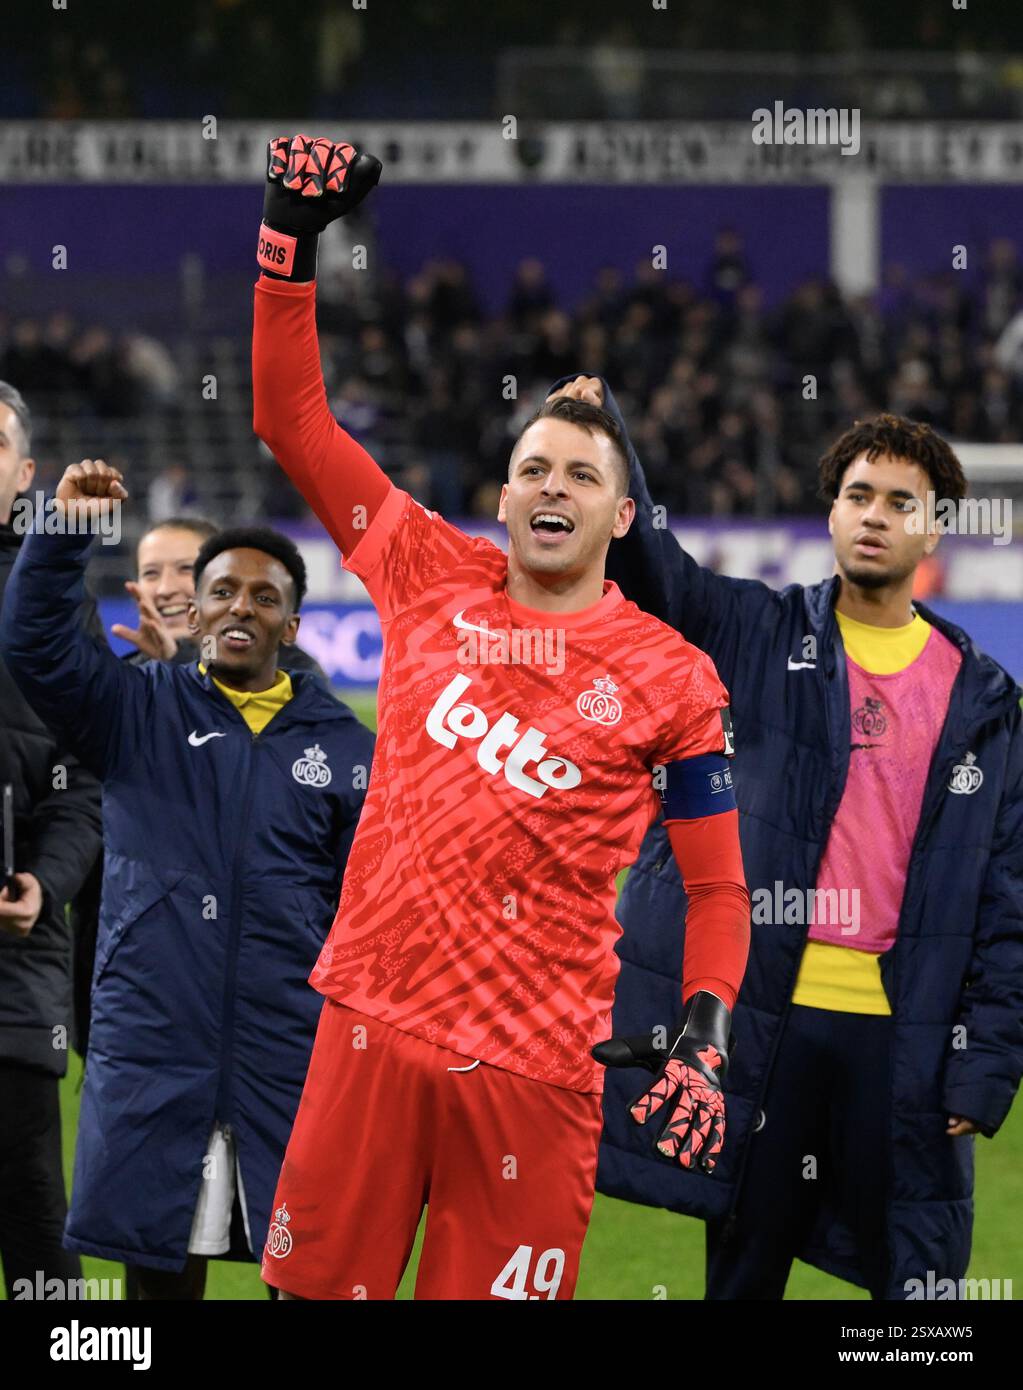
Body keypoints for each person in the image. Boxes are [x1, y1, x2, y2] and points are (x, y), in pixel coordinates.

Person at [250, 133, 750, 1301]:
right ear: (503, 492)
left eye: (582, 475)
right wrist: (287, 241)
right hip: (370, 1021)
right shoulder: (428, 568)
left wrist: (707, 1034)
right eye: (534, 468)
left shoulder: (674, 676)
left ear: (624, 515)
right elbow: (292, 423)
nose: (552, 488)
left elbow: (721, 886)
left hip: (533, 1071)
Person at [559, 375, 1023, 1301]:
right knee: (742, 1274)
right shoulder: (757, 631)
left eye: (901, 502)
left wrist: (985, 1062)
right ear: (831, 515)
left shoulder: (985, 703)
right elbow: (653, 569)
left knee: (918, 1291)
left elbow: (1006, 897)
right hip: (767, 1022)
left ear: (933, 535)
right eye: (857, 495)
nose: (874, 516)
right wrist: (611, 445)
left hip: (908, 1035)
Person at [0, 463, 375, 1299]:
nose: (240, 606)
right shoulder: (137, 711)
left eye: (263, 596)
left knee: (304, 1276)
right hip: (154, 1053)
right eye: (223, 591)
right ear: (196, 611)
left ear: (292, 623)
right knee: (160, 1284)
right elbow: (31, 644)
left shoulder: (347, 751)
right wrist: (63, 531)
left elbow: (372, 916)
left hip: (290, 1058)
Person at [0, 382, 103, 1299]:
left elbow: (87, 784)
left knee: (36, 1222)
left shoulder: (56, 605)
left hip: (16, 960)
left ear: (23, 475)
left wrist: (44, 882)